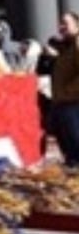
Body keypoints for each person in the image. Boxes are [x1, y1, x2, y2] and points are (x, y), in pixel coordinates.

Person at [48, 11, 79, 167]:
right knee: (70, 153)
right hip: (64, 103)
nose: (61, 27)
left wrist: (67, 92)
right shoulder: (66, 47)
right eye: (60, 23)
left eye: (65, 23)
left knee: (75, 150)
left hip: (73, 104)